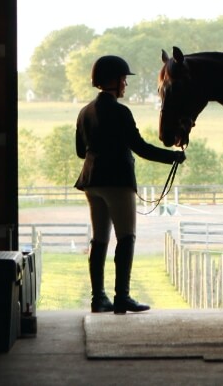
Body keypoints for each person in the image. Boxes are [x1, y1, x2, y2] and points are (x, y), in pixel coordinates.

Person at [74, 55, 186, 314]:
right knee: (126, 237)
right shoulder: (121, 111)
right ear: (113, 81)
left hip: (91, 181)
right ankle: (122, 296)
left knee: (99, 239)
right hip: (117, 182)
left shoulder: (85, 112)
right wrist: (173, 156)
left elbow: (81, 151)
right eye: (123, 79)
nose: (125, 84)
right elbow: (141, 148)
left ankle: (98, 298)